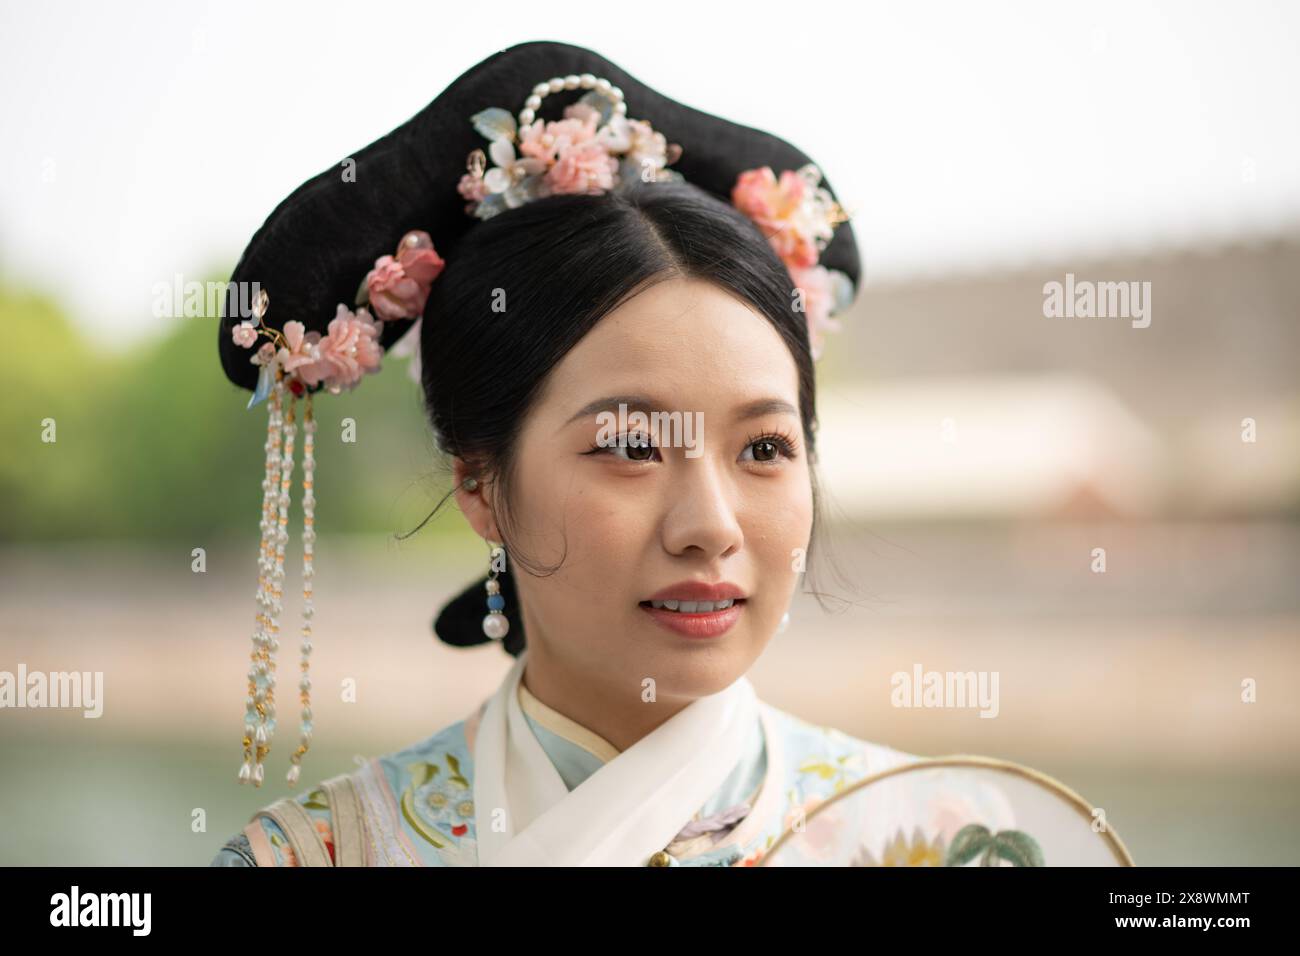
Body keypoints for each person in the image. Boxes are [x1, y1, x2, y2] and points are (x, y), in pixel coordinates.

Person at [208, 39, 917, 868]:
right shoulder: (322, 856)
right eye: (629, 446)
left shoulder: (935, 838)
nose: (710, 527)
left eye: (764, 446)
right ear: (479, 482)